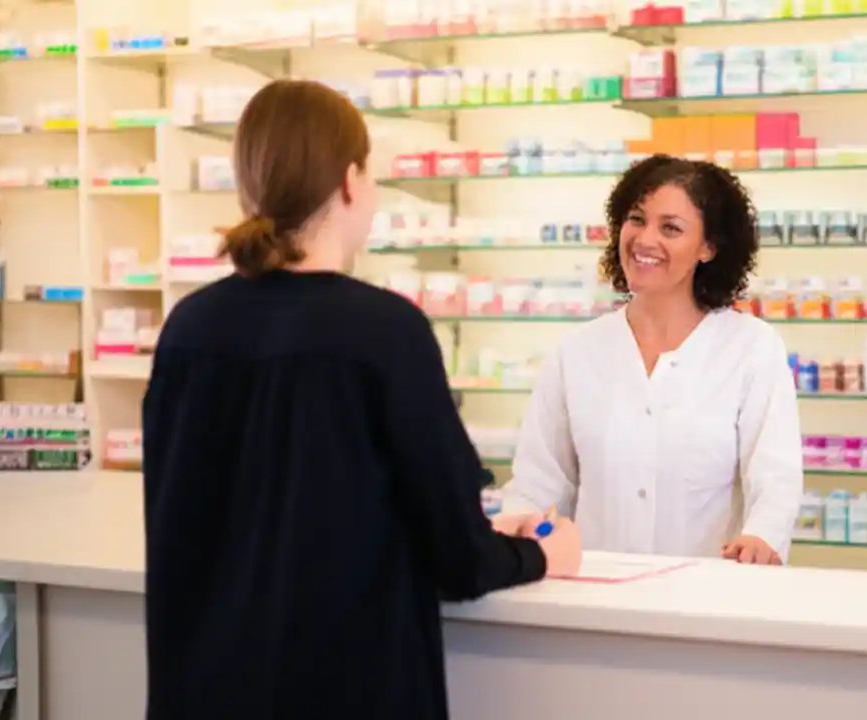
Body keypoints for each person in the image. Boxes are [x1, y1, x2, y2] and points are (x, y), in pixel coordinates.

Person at [141, 79, 580, 720]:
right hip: (345, 690)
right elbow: (455, 560)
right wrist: (541, 554)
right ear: (351, 180)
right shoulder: (382, 332)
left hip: (204, 692)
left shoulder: (190, 328)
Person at [496, 155, 802, 565]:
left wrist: (760, 538)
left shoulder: (750, 347)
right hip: (593, 594)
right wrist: (518, 540)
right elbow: (538, 483)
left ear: (708, 247)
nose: (644, 239)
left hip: (709, 595)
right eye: (637, 219)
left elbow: (775, 477)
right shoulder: (577, 351)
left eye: (671, 228)